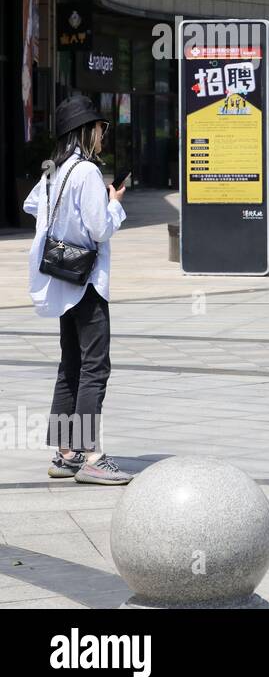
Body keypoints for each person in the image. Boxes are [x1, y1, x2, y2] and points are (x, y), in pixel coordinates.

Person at [25, 96, 131, 484]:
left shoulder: (54, 170)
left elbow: (32, 205)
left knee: (70, 364)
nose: (103, 135)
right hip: (86, 281)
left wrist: (66, 222)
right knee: (94, 367)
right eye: (101, 128)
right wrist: (113, 204)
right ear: (87, 130)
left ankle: (65, 453)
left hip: (60, 277)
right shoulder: (85, 172)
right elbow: (100, 229)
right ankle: (91, 456)